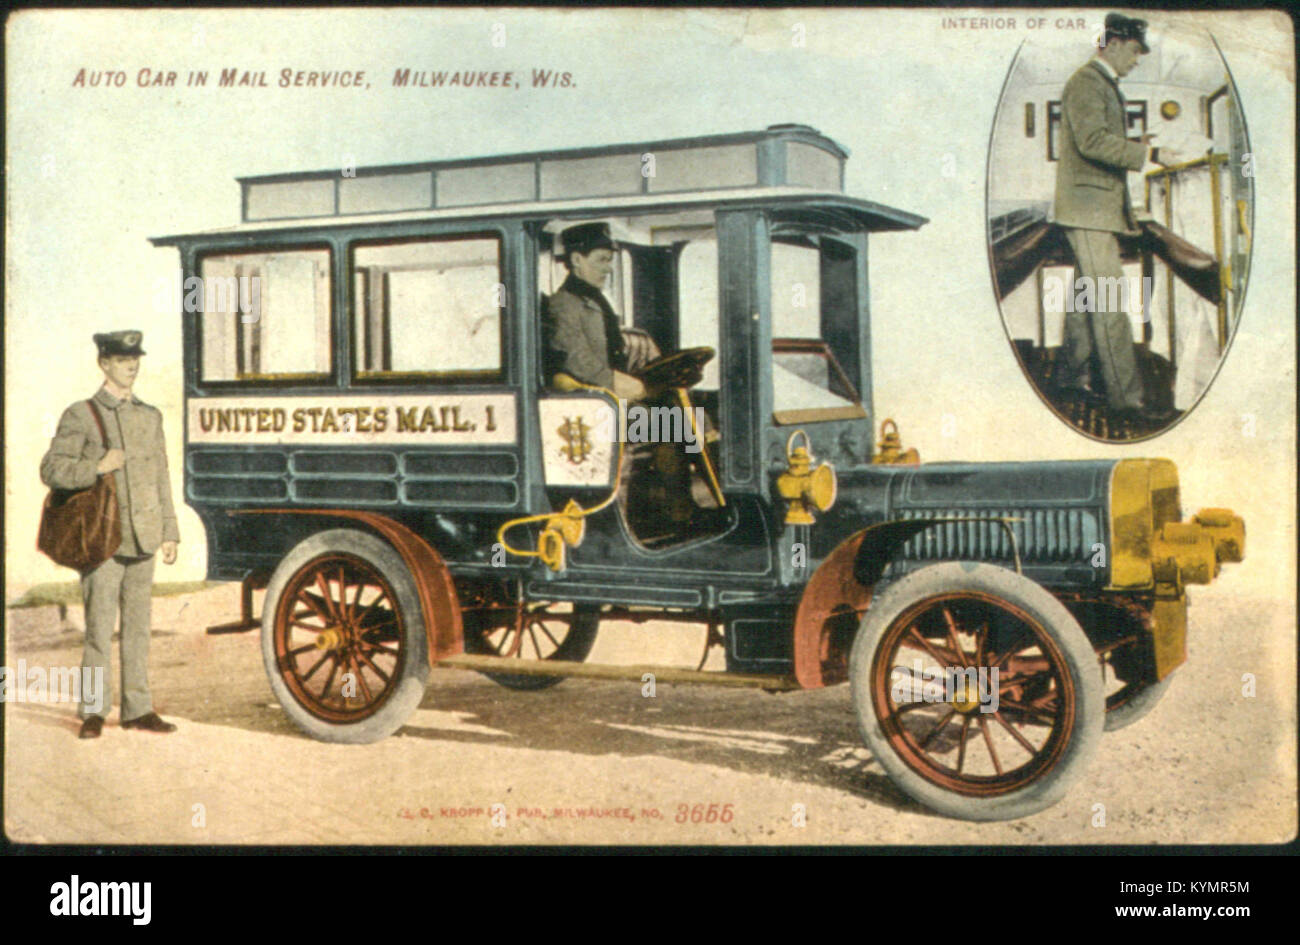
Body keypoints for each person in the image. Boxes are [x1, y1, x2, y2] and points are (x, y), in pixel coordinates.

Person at [40, 330, 180, 738]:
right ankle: (93, 712)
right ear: (104, 364)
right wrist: (97, 466)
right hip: (103, 537)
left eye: (135, 358)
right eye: (121, 360)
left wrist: (169, 531)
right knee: (99, 628)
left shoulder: (150, 415)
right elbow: (51, 469)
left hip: (145, 536)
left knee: (138, 628)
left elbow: (161, 476)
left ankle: (138, 709)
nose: (131, 366)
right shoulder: (81, 414)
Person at [1052, 13, 1182, 423]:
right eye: (1135, 51)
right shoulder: (1088, 82)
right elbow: (1092, 143)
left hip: (1091, 208)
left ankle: (1070, 379)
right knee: (1109, 302)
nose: (1138, 60)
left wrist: (1135, 145)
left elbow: (1097, 140)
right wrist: (1149, 154)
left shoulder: (1097, 83)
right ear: (1115, 43)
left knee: (1085, 299)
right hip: (1090, 211)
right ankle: (1128, 402)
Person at [543, 222, 660, 400]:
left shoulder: (596, 299)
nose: (608, 268)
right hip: (596, 401)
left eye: (609, 260)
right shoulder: (563, 304)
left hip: (611, 397)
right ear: (576, 260)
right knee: (669, 422)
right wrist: (617, 383)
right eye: (601, 260)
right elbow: (577, 360)